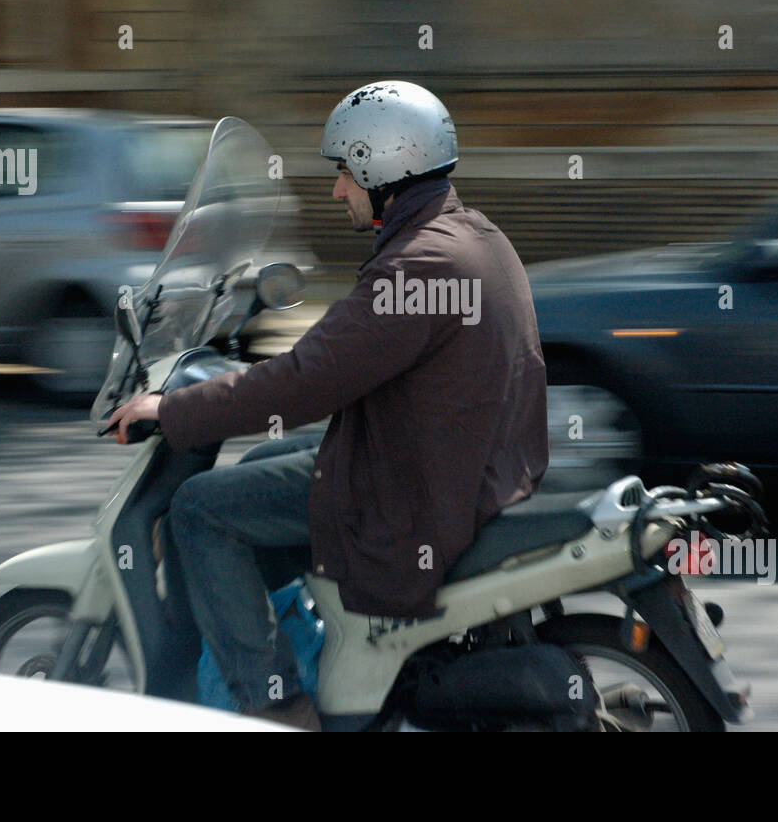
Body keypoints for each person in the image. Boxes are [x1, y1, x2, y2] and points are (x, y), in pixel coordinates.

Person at [107, 80, 548, 730]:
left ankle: (274, 703)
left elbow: (305, 381)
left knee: (200, 513)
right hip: (467, 468)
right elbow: (338, 364)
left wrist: (171, 411)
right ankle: (315, 638)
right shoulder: (471, 235)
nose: (337, 189)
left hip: (417, 493)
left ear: (383, 166)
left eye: (343, 172)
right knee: (267, 457)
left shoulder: (418, 266)